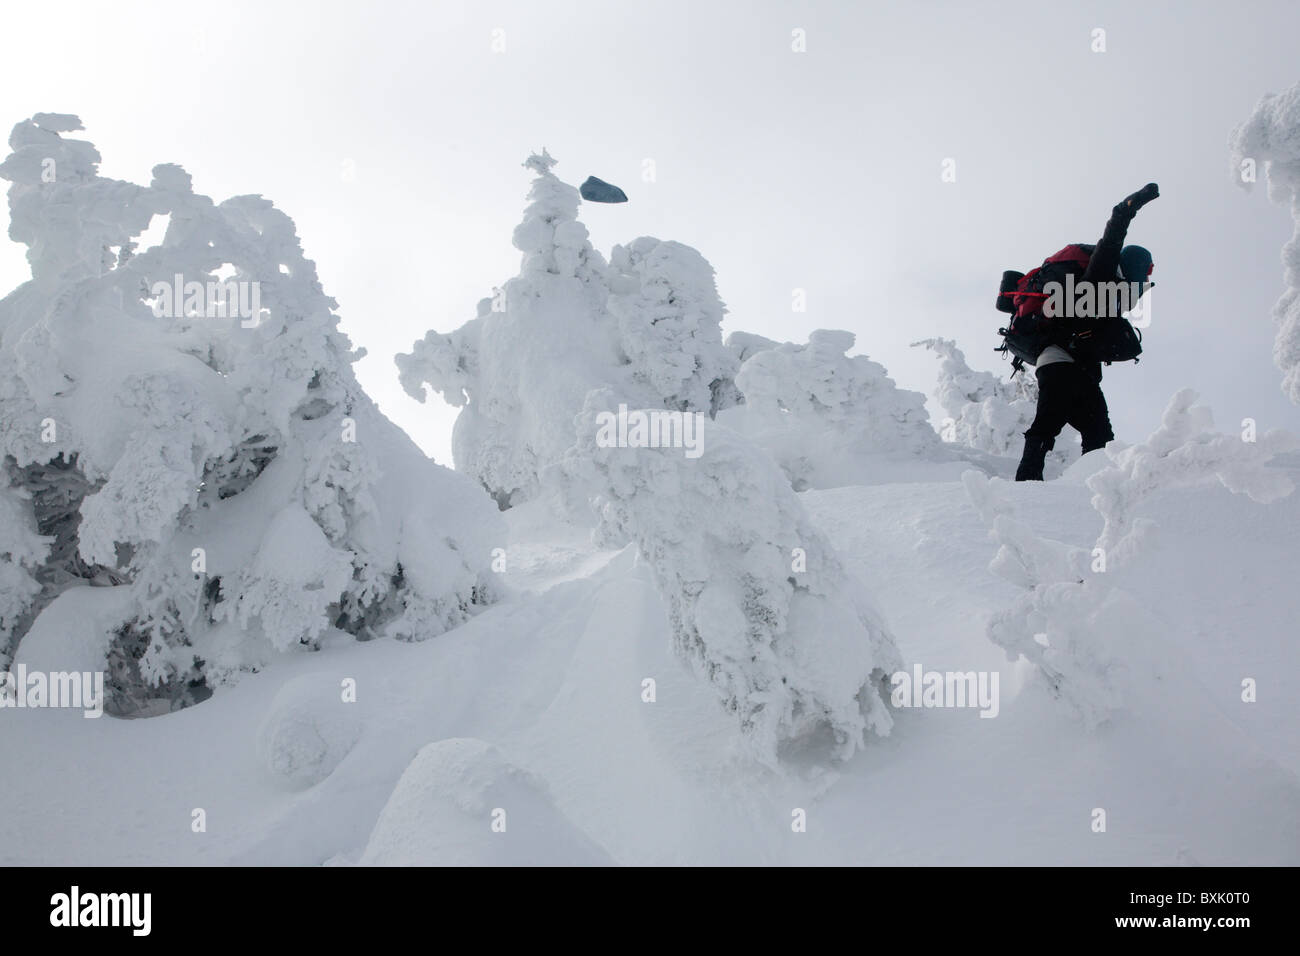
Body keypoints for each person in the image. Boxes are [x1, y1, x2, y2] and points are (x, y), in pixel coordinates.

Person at [1014, 183, 1159, 481]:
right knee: (1049, 422)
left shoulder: (1113, 295)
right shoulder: (1100, 275)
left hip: (1079, 371)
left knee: (1100, 435)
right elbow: (1112, 238)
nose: (1144, 278)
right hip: (1057, 361)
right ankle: (1026, 485)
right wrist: (1129, 207)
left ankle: (1092, 489)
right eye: (1145, 271)